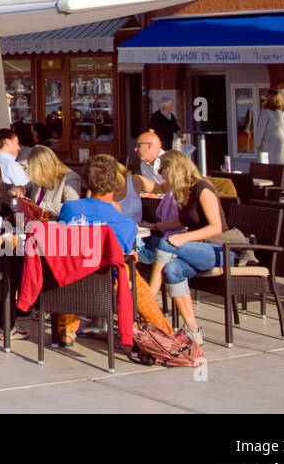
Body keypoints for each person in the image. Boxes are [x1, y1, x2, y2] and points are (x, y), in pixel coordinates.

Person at [49, 153, 140, 347]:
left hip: (68, 282)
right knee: (130, 271)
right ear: (116, 182)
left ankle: (67, 329)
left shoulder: (70, 209)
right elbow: (118, 257)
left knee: (79, 263)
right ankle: (157, 332)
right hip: (105, 288)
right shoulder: (127, 224)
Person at [143, 149, 232, 345]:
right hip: (197, 249)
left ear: (174, 170)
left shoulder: (202, 189)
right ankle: (192, 328)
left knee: (166, 243)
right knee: (173, 270)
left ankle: (147, 303)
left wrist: (186, 238)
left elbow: (216, 227)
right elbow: (179, 221)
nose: (160, 176)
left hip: (219, 249)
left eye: (163, 171)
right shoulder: (186, 192)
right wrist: (155, 226)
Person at [26, 144, 82, 216]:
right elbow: (28, 184)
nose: (30, 172)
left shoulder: (70, 178)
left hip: (56, 225)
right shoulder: (40, 178)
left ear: (43, 168)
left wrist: (41, 206)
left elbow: (71, 208)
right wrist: (20, 188)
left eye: (33, 169)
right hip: (36, 224)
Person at [254, 91, 284, 180]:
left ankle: (274, 185)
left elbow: (261, 128)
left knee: (268, 168)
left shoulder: (265, 111)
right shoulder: (283, 111)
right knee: (283, 163)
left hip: (269, 142)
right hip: (283, 141)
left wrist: (257, 143)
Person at [0, 127, 29, 194]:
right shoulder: (12, 165)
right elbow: (26, 188)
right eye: (17, 144)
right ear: (8, 143)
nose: (19, 148)